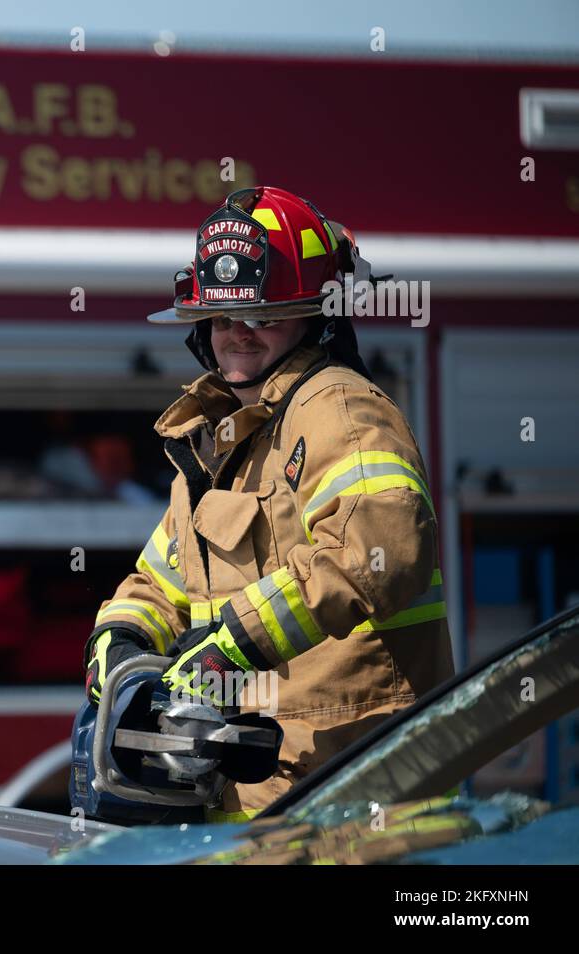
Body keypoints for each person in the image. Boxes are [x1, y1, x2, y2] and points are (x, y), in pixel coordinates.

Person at [83, 186, 455, 822]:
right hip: (255, 804)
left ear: (316, 318)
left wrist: (229, 648)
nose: (239, 334)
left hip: (357, 799)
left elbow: (377, 556)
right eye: (223, 318)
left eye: (264, 315)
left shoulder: (338, 409)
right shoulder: (225, 440)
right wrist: (119, 648)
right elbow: (159, 583)